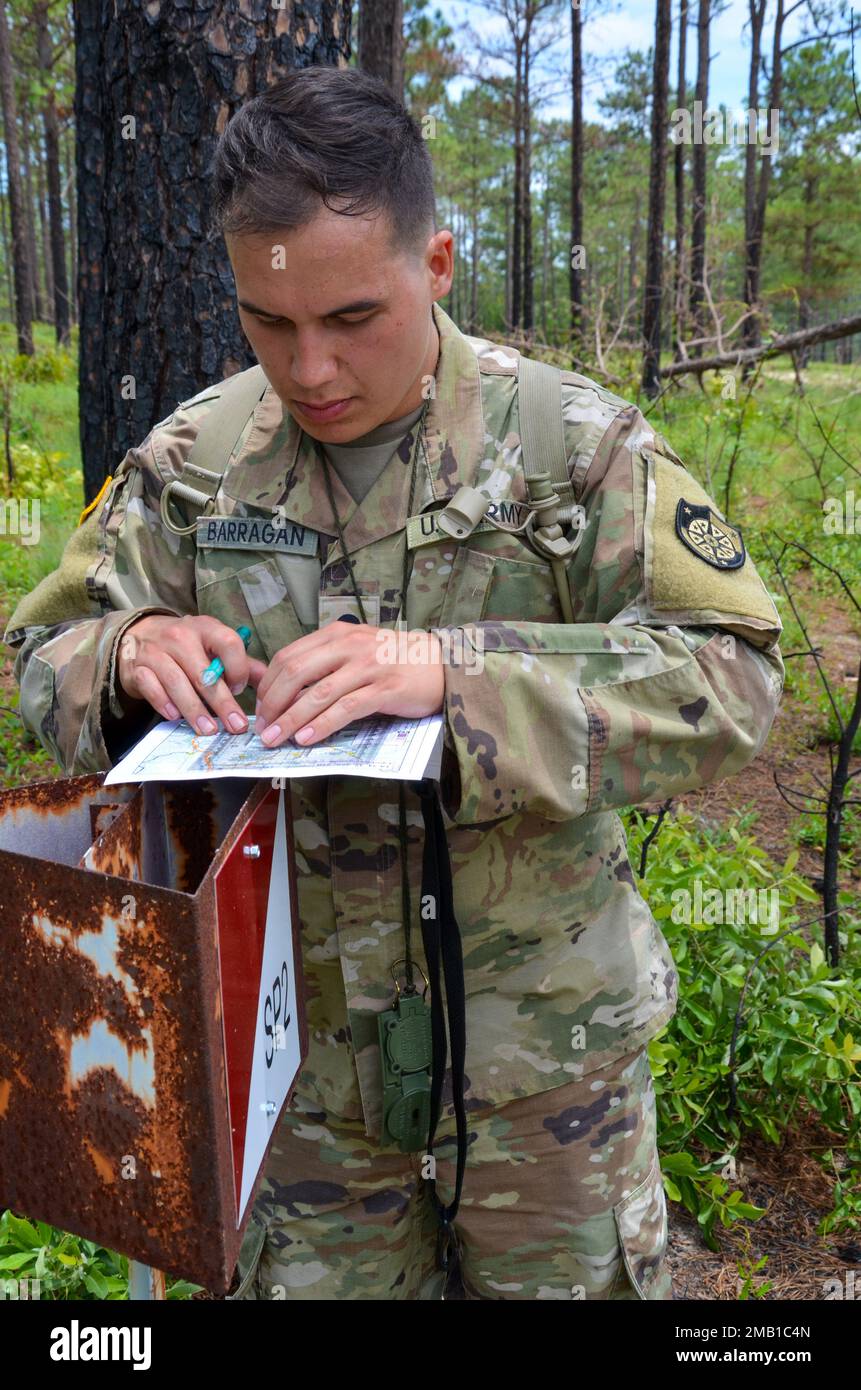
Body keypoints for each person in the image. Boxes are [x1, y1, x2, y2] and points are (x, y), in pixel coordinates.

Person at [3, 66, 784, 1301]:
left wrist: (456, 677)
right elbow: (41, 651)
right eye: (269, 321)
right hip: (293, 1076)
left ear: (438, 264)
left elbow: (734, 675)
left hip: (543, 1070)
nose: (309, 367)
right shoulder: (195, 463)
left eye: (352, 317)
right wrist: (122, 655)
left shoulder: (571, 448)